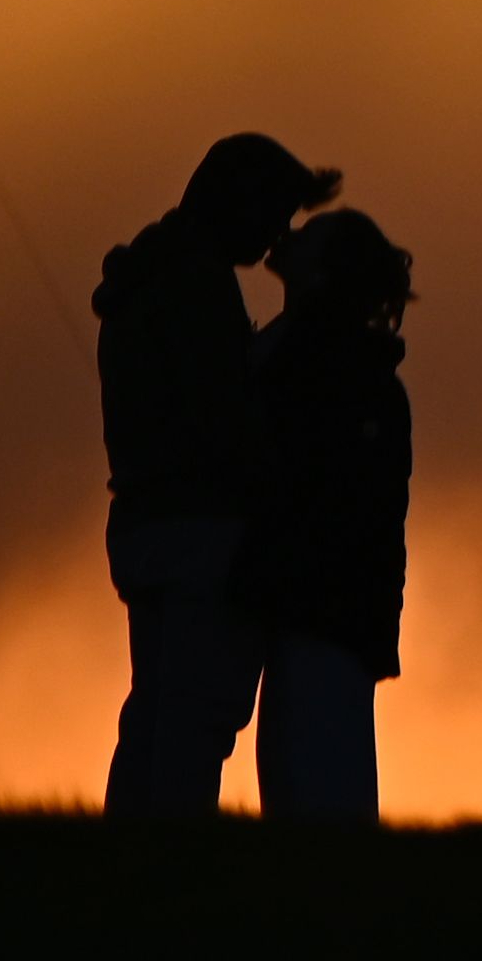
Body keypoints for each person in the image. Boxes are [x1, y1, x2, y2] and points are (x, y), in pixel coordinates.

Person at [92, 133, 340, 816]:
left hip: (148, 522)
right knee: (194, 722)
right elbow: (224, 418)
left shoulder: (153, 271)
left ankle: (135, 865)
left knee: (157, 713)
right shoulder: (196, 284)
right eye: (275, 213)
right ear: (239, 202)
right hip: (203, 531)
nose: (276, 237)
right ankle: (174, 871)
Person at [237, 208, 414, 821]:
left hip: (319, 607)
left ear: (326, 271)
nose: (289, 234)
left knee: (311, 791)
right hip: (331, 610)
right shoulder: (354, 367)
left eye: (310, 235)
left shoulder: (319, 360)